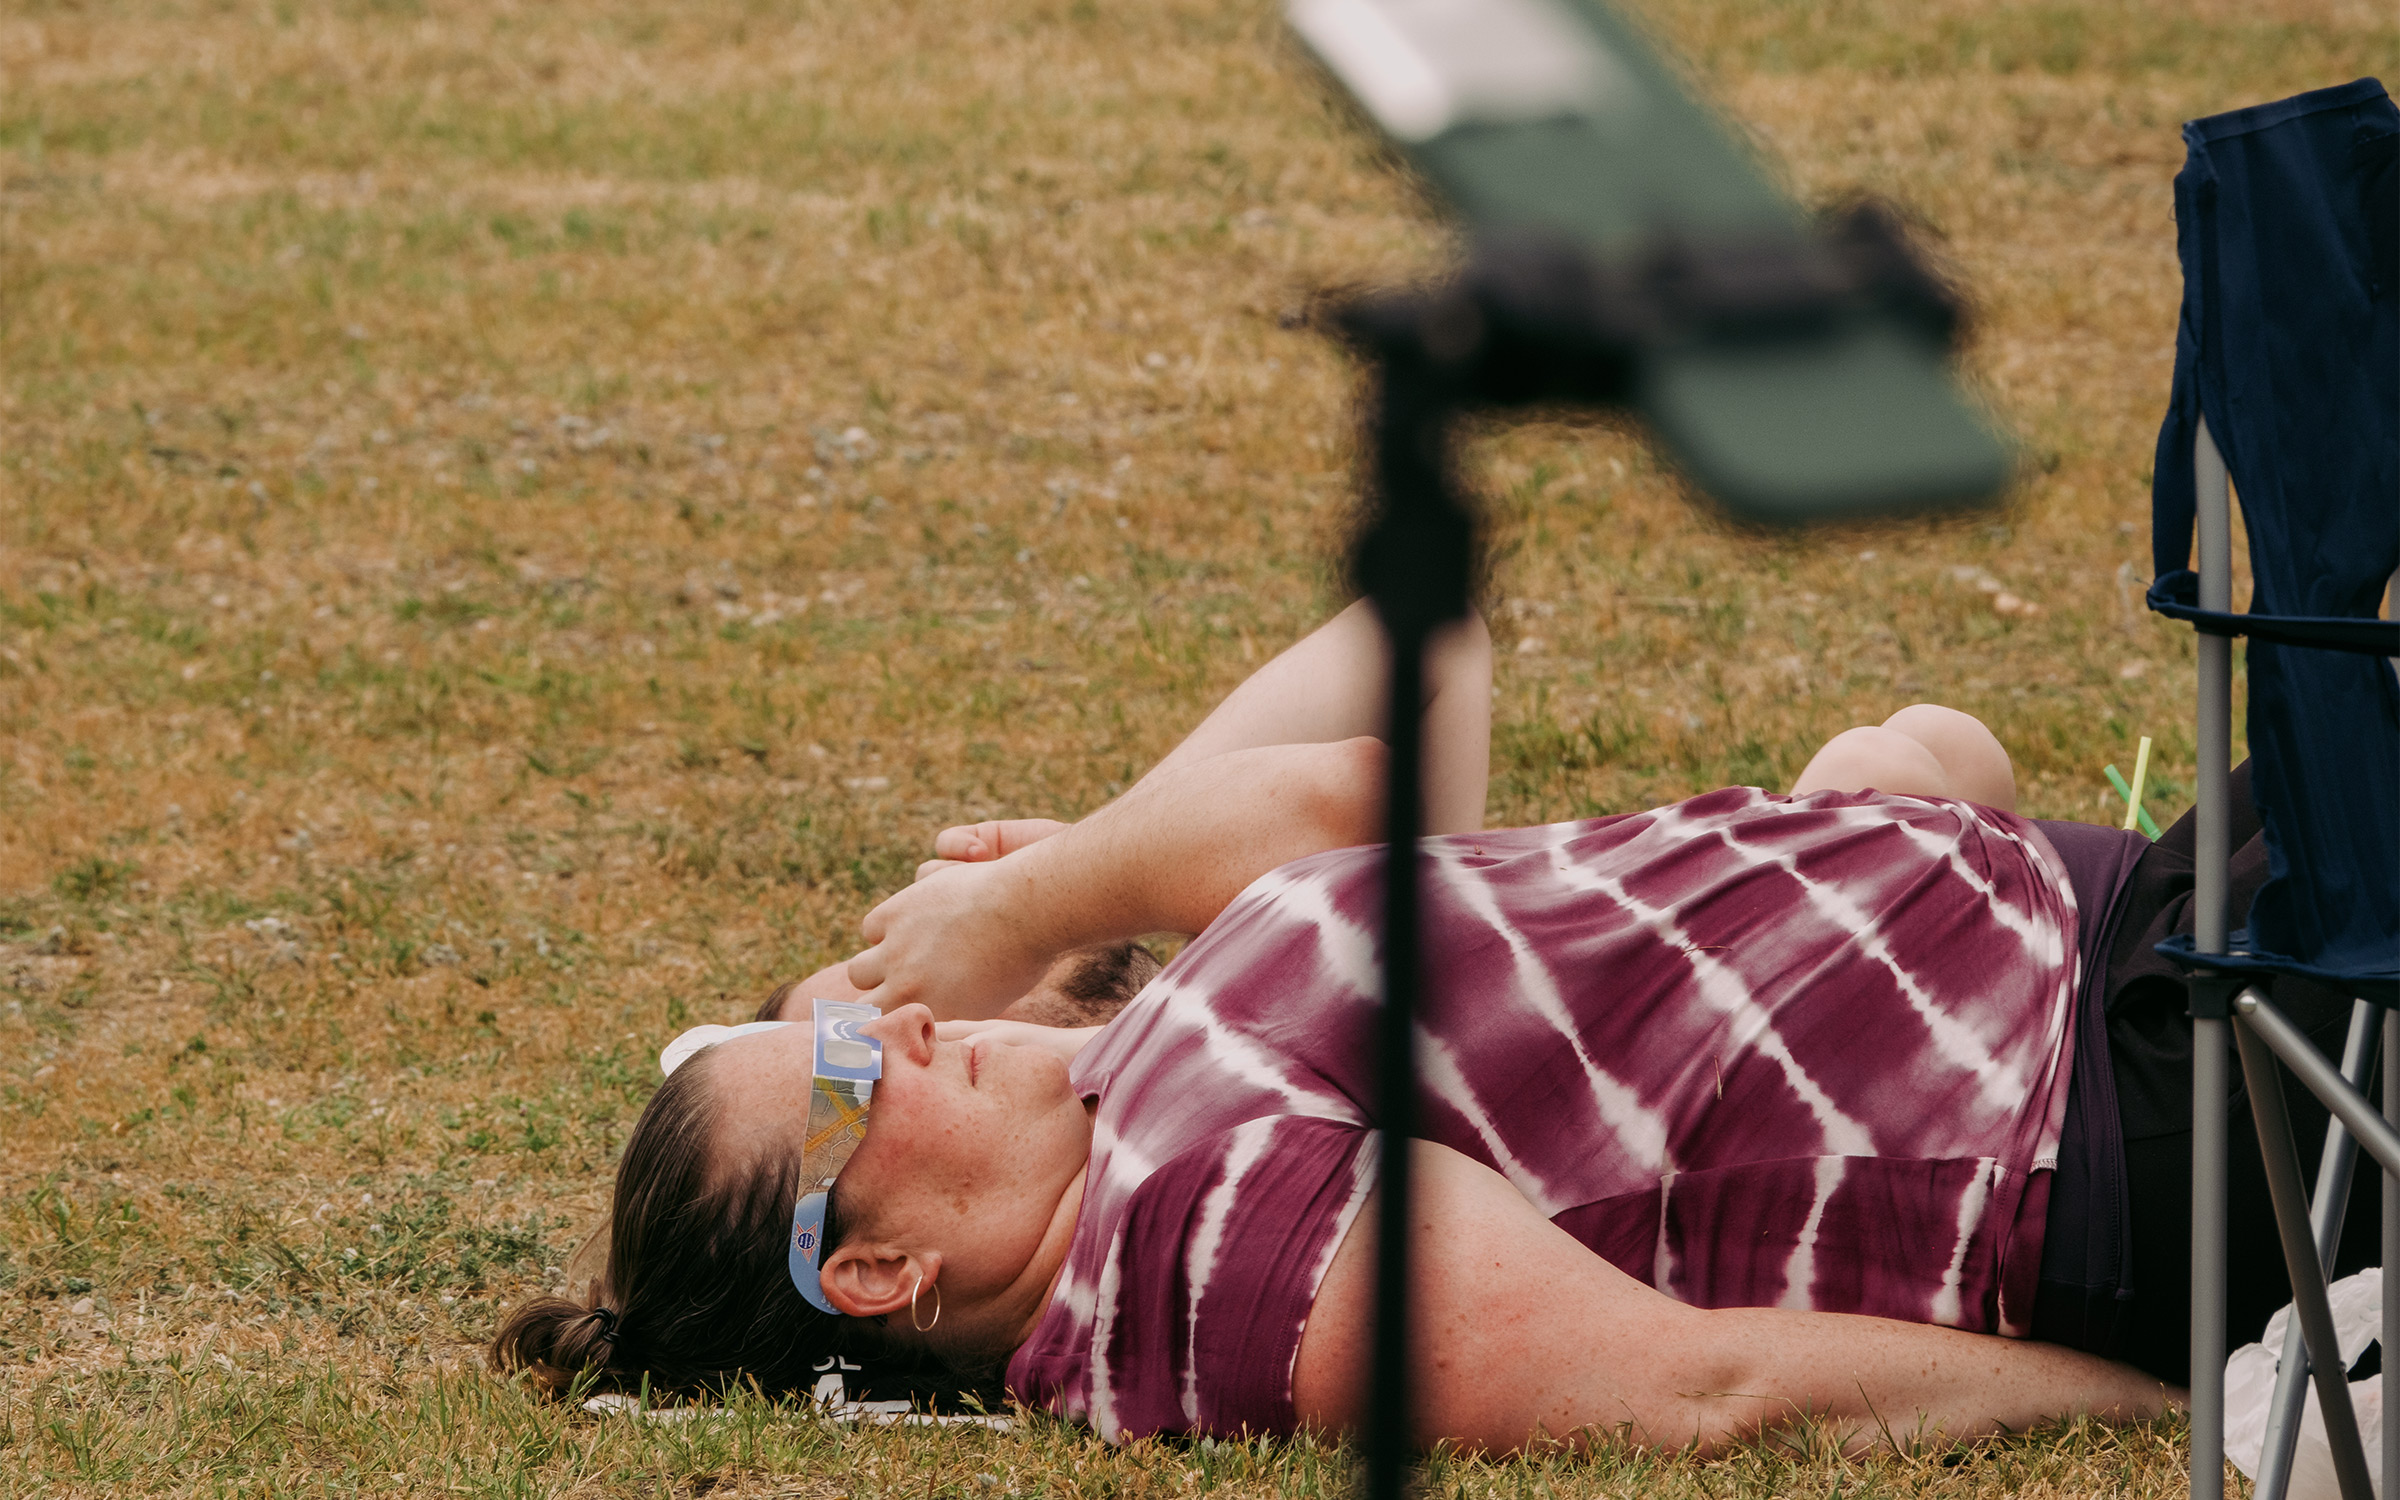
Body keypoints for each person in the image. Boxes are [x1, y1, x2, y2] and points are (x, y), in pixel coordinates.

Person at [494, 600, 2210, 1452]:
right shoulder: (1200, 1248)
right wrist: (2175, 1400)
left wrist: (1063, 901)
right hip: (2135, 1078)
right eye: (851, 1069)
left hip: (2089, 942)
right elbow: (1703, 1390)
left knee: (1921, 750)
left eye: (869, 1008)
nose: (913, 1023)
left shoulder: (1131, 1091)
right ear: (872, 1273)